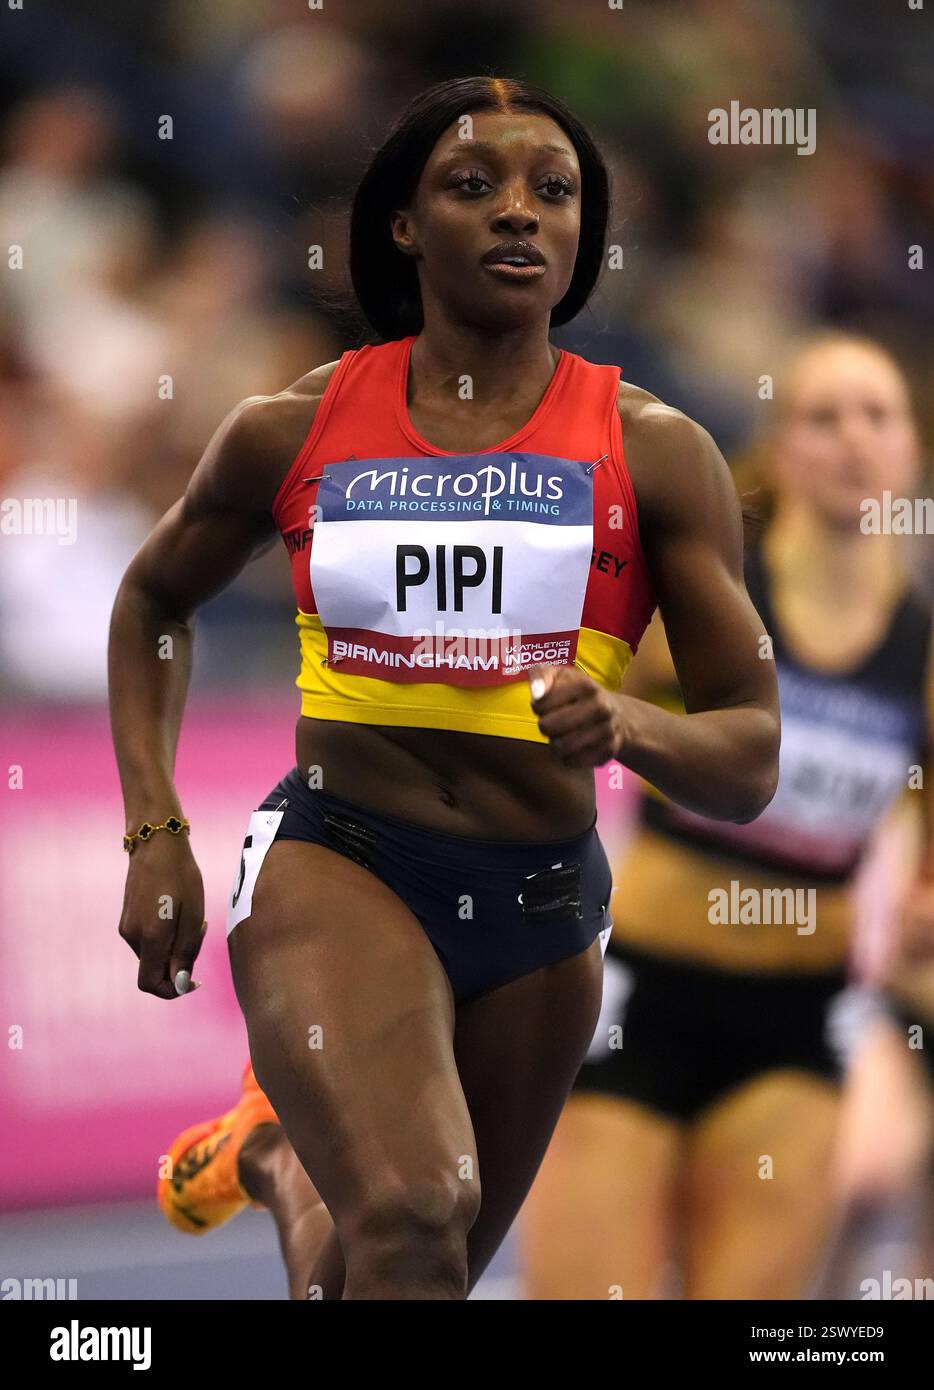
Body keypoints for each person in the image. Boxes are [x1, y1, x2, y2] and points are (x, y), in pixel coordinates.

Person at [110, 74, 779, 1301]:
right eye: (475, 187)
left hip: (540, 906)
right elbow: (152, 602)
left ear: (583, 237)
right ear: (406, 227)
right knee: (418, 1217)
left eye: (554, 192)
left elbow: (749, 760)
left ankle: (271, 1154)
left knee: (401, 1271)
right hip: (343, 858)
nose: (520, 213)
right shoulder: (292, 426)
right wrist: (155, 830)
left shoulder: (658, 450)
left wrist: (629, 721)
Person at [521, 332, 934, 1299]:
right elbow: (556, 701)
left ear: (911, 449)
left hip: (796, 1028)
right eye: (823, 419)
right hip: (639, 1004)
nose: (853, 442)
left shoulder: (919, 651)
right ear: (782, 447)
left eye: (878, 417)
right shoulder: (711, 600)